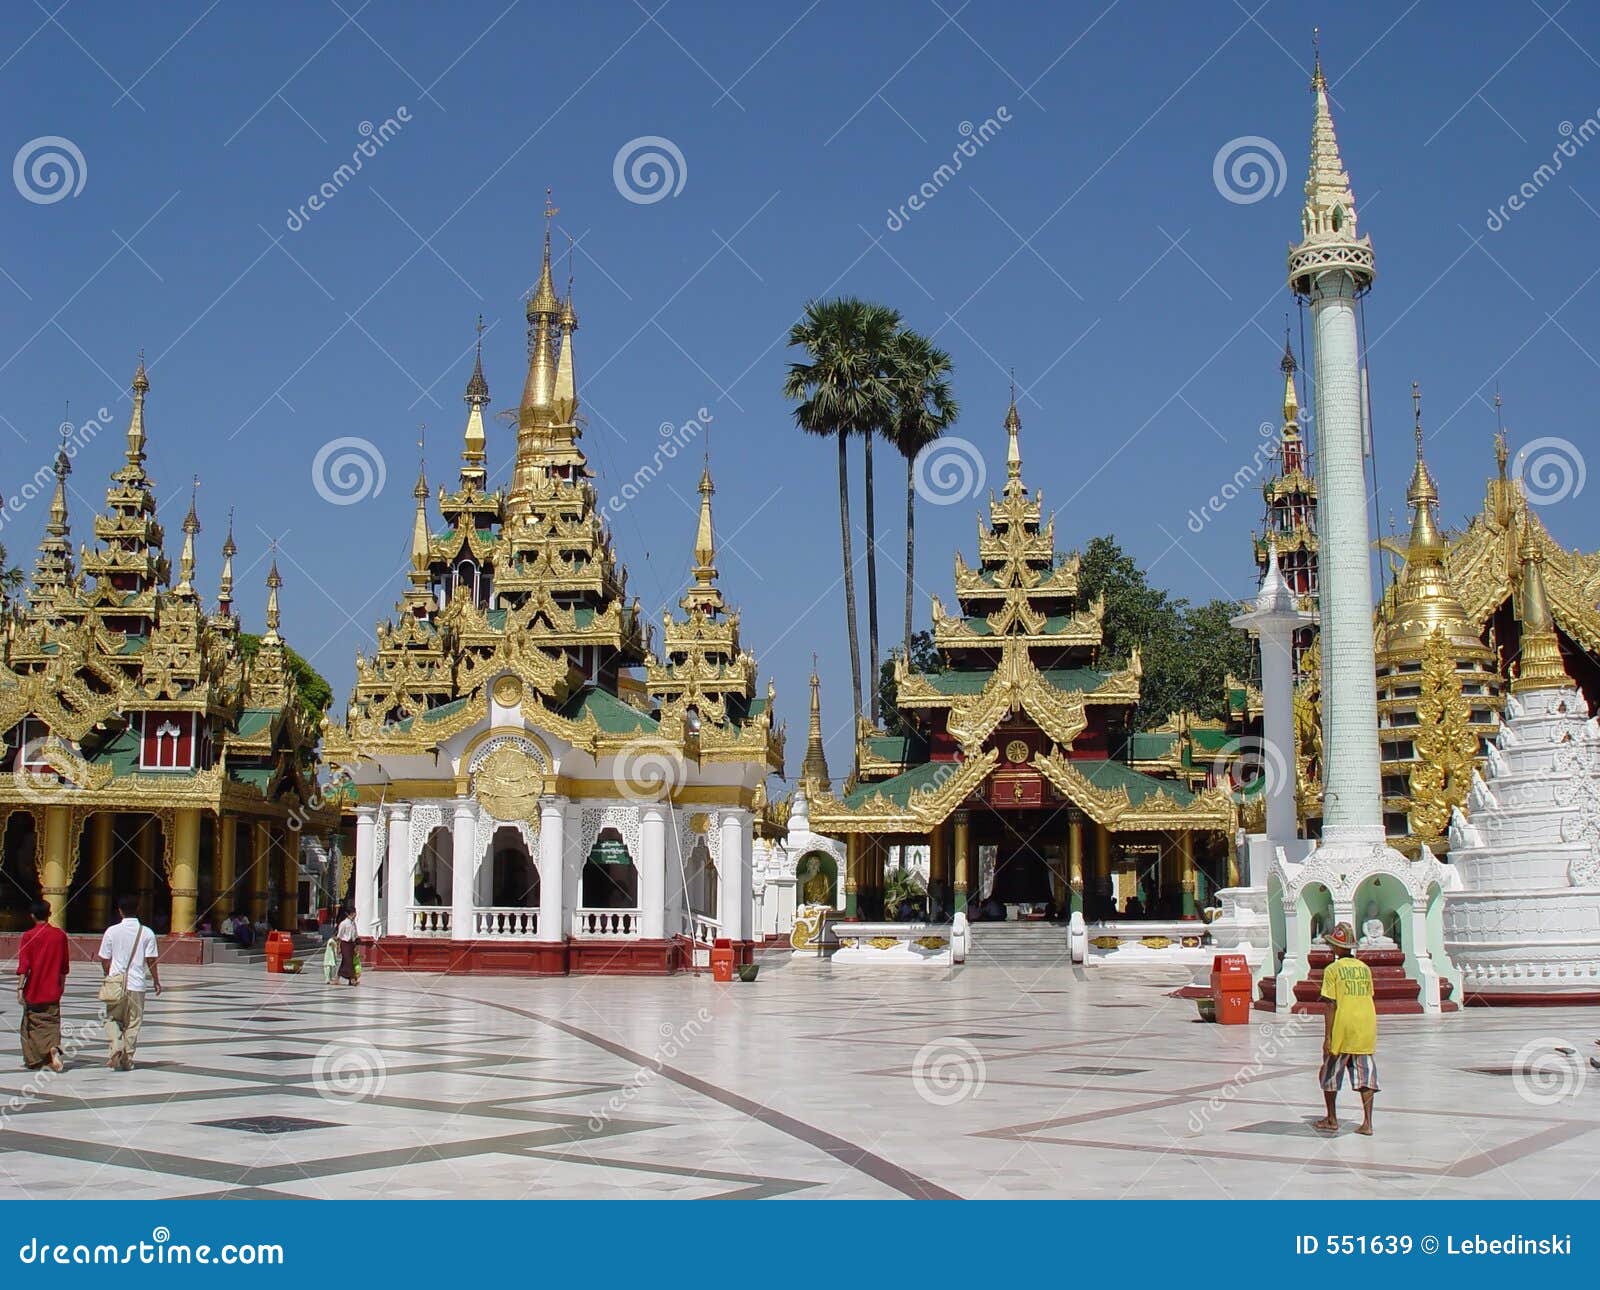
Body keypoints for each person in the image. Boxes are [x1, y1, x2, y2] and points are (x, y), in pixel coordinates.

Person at [1314, 921, 1378, 1136]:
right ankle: (1367, 1122)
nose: (1331, 948)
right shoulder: (1364, 968)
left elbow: (1330, 1004)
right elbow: (1368, 996)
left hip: (1342, 1027)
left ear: (1338, 948)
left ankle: (1332, 1118)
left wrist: (1327, 1038)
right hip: (1365, 1027)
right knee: (1365, 1076)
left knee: (1330, 1074)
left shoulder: (1332, 970)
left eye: (1333, 945)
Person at [96, 895, 161, 1072]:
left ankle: (116, 1044)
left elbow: (104, 958)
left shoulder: (111, 931)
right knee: (134, 1022)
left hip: (116, 984)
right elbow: (151, 960)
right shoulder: (147, 932)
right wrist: (156, 980)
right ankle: (127, 1058)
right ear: (138, 909)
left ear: (120, 911)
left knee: (111, 1018)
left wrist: (109, 974)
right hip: (137, 984)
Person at [16, 901, 69, 1073]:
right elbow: (63, 966)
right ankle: (53, 1048)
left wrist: (19, 988)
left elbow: (24, 966)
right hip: (52, 988)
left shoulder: (28, 936)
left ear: (32, 916)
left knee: (30, 1024)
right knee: (52, 1023)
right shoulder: (59, 935)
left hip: (33, 989)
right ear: (49, 913)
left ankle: (34, 1059)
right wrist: (61, 985)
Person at [335, 905, 359, 987]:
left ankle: (337, 978)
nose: (355, 914)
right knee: (348, 961)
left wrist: (356, 946)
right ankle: (353, 979)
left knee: (346, 961)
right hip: (344, 944)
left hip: (351, 944)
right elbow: (339, 936)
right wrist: (338, 947)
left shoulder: (353, 924)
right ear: (350, 914)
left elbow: (355, 935)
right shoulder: (343, 923)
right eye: (354, 913)